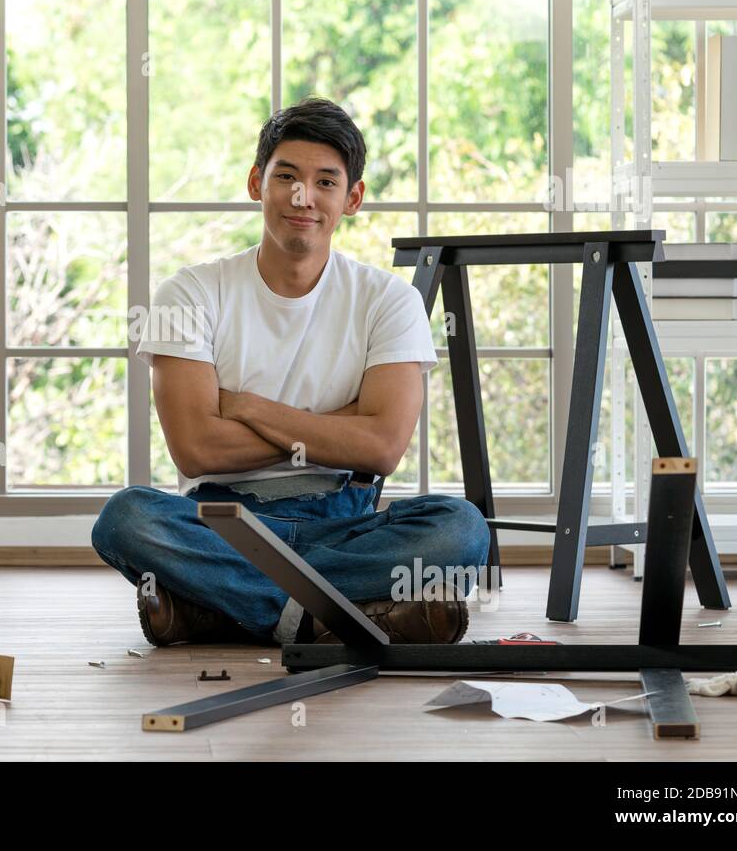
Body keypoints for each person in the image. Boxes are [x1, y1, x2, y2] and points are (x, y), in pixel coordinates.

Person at [91, 97, 491, 646]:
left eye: (326, 182)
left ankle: (222, 607)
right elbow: (197, 450)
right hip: (224, 521)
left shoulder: (388, 301)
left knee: (461, 529)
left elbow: (381, 450)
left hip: (346, 521)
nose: (304, 197)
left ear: (352, 198)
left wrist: (251, 408)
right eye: (287, 177)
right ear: (257, 183)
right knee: (126, 519)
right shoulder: (190, 293)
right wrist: (340, 426)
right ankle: (342, 615)